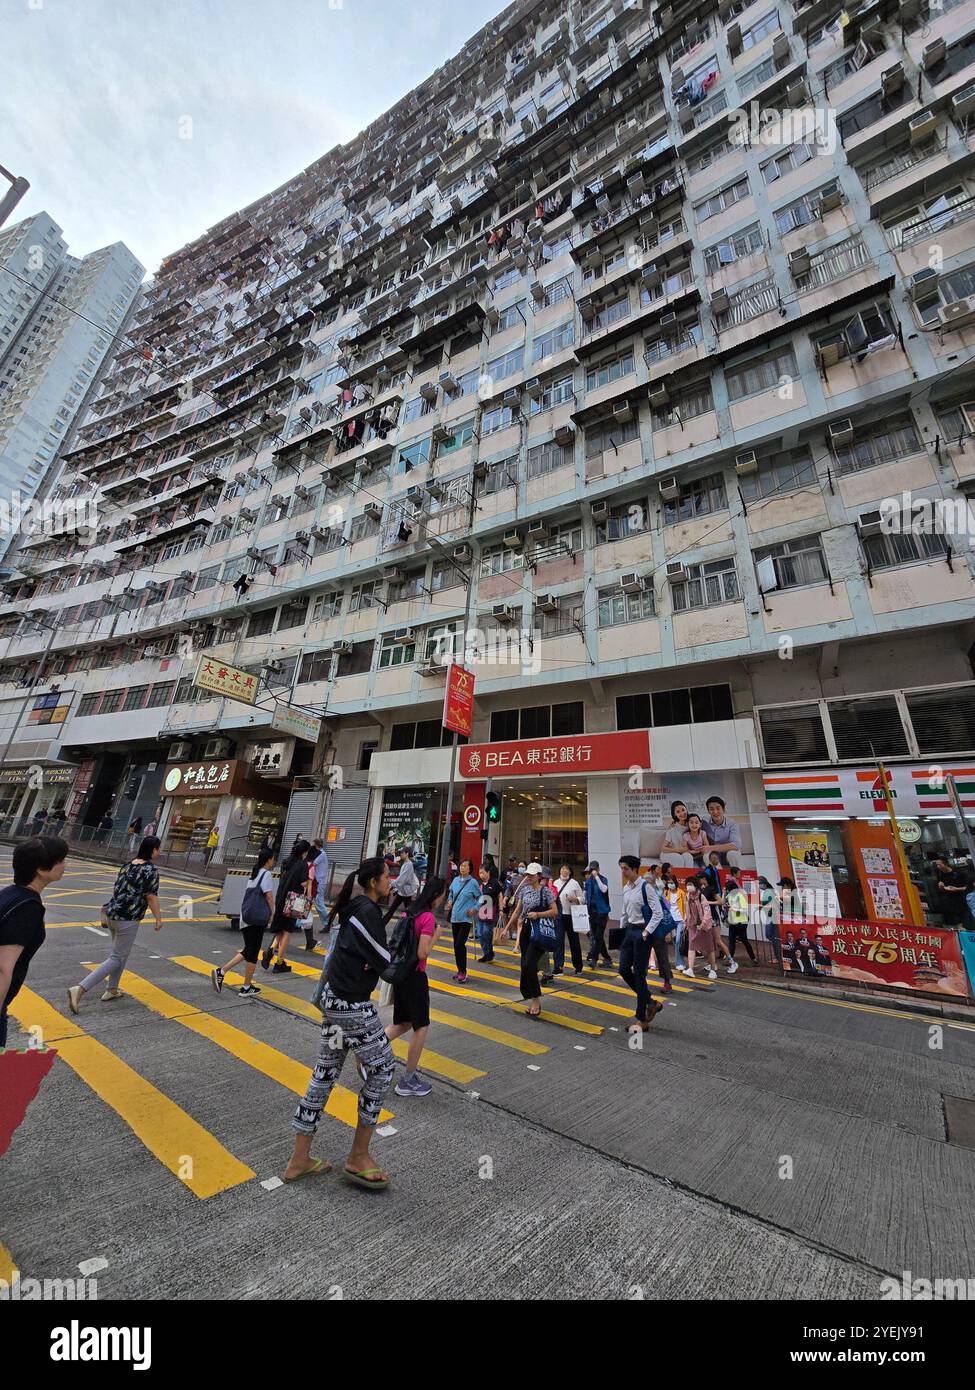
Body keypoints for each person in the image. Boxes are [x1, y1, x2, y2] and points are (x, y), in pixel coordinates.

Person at [285, 857, 396, 1190]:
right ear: (373, 882)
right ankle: (359, 1155)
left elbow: (371, 959)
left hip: (335, 1002)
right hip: (350, 1004)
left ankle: (299, 1159)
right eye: (387, 877)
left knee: (324, 1073)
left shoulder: (355, 908)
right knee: (383, 1068)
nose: (390, 882)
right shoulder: (366, 912)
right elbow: (386, 961)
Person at [68, 836, 162, 1012]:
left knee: (119, 955)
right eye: (158, 849)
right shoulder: (150, 870)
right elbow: (151, 896)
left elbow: (118, 888)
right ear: (152, 850)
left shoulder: (127, 865)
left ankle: (112, 989)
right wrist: (158, 918)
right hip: (128, 918)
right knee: (117, 957)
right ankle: (80, 989)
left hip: (112, 914)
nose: (159, 852)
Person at [0, 837, 68, 1047]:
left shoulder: (10, 894)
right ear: (40, 868)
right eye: (60, 860)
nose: (65, 865)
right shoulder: (27, 907)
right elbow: (2, 968)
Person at [385, 876, 446, 1096]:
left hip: (401, 973)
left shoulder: (408, 911)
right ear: (436, 896)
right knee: (421, 1026)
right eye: (442, 895)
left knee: (403, 1022)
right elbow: (423, 952)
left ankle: (369, 1051)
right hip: (415, 976)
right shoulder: (428, 918)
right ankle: (408, 1080)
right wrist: (436, 936)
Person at [211, 849, 275, 996]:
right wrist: (272, 913)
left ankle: (221, 971)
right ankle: (246, 987)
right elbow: (269, 896)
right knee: (252, 953)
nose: (274, 861)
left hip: (246, 917)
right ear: (268, 860)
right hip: (256, 919)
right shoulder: (266, 874)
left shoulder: (254, 873)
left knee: (248, 950)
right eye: (273, 859)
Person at [617, 857, 666, 1030]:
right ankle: (650, 1002)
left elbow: (658, 913)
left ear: (635, 869)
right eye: (621, 868)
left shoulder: (646, 888)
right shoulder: (626, 888)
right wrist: (621, 930)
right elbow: (625, 911)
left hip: (642, 933)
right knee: (623, 969)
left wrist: (646, 932)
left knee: (639, 974)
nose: (623, 872)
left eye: (626, 869)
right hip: (629, 932)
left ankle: (642, 1019)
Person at [511, 863, 558, 1019]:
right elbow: (518, 910)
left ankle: (536, 1000)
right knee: (525, 965)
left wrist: (538, 915)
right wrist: (506, 928)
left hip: (539, 932)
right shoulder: (524, 890)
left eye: (531, 875)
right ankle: (530, 996)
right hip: (525, 930)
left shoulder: (546, 892)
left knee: (528, 964)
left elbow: (554, 911)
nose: (528, 877)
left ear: (539, 875)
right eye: (527, 875)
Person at [262, 838, 312, 975]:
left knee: (280, 929)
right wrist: (308, 884)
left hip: (281, 897)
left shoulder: (286, 862)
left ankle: (270, 951)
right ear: (305, 852)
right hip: (293, 901)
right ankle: (279, 963)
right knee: (287, 931)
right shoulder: (302, 865)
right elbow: (303, 883)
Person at [445, 859, 480, 982]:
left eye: (465, 866)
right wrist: (449, 901)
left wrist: (475, 909)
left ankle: (463, 972)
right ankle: (459, 970)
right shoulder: (455, 881)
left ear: (470, 869)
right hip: (455, 917)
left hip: (466, 918)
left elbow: (481, 898)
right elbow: (451, 894)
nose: (462, 868)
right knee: (456, 945)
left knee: (460, 944)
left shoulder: (473, 883)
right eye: (461, 865)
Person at [551, 863, 585, 977]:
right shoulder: (555, 883)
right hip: (559, 916)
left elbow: (583, 898)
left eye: (567, 869)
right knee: (558, 942)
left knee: (574, 942)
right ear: (559, 871)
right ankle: (558, 968)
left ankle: (578, 967)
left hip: (572, 915)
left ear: (570, 872)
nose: (564, 871)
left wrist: (575, 898)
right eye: (562, 869)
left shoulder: (574, 883)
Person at [584, 861, 613, 969]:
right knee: (598, 937)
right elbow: (585, 894)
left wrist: (597, 877)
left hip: (602, 912)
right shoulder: (588, 881)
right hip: (592, 912)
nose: (592, 871)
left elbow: (604, 889)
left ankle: (594, 959)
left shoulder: (603, 879)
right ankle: (607, 958)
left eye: (594, 869)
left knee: (598, 936)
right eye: (591, 870)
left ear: (598, 869)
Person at [702, 795, 743, 868]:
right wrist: (675, 822)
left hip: (728, 853)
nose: (715, 812)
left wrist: (710, 848)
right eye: (711, 809)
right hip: (715, 855)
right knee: (707, 856)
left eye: (718, 808)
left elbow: (736, 845)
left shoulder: (732, 824)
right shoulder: (704, 823)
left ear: (723, 809)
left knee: (733, 854)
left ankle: (740, 878)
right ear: (708, 811)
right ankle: (718, 878)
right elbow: (690, 825)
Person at [385, 846, 419, 924]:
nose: (400, 854)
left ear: (407, 854)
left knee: (406, 911)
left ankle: (409, 924)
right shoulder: (405, 864)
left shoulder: (409, 864)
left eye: (402, 853)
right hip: (403, 892)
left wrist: (392, 884)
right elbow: (401, 879)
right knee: (397, 910)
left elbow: (402, 878)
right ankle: (384, 922)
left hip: (405, 893)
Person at [725, 877, 756, 963]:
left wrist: (733, 908)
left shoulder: (740, 896)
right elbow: (724, 901)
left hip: (741, 922)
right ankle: (730, 960)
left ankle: (753, 958)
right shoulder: (729, 896)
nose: (727, 891)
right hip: (733, 922)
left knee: (744, 940)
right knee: (731, 941)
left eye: (727, 889)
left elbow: (744, 909)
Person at [475, 862, 501, 963]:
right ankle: (486, 953)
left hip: (490, 909)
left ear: (488, 872)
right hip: (480, 910)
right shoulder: (479, 884)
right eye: (480, 873)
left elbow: (499, 895)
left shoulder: (494, 883)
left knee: (487, 932)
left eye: (483, 873)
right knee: (480, 933)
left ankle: (489, 952)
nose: (481, 875)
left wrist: (501, 909)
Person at [663, 873, 688, 972]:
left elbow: (685, 906)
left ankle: (680, 962)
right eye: (669, 883)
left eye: (672, 883)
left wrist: (685, 919)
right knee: (674, 942)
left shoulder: (681, 892)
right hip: (671, 920)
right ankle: (680, 961)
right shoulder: (666, 893)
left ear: (675, 883)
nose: (670, 884)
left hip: (680, 920)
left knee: (678, 940)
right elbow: (665, 908)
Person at [934, 855, 967, 926]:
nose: (938, 867)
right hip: (948, 904)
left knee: (963, 923)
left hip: (961, 902)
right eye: (937, 865)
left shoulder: (958, 873)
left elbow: (968, 887)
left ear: (945, 864)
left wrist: (957, 889)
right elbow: (941, 890)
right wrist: (941, 887)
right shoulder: (940, 875)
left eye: (939, 865)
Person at [311, 838, 330, 933]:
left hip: (319, 882)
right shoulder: (321, 854)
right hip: (317, 881)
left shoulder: (321, 854)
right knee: (310, 902)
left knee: (319, 904)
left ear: (316, 845)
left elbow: (312, 864)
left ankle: (328, 923)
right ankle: (298, 923)